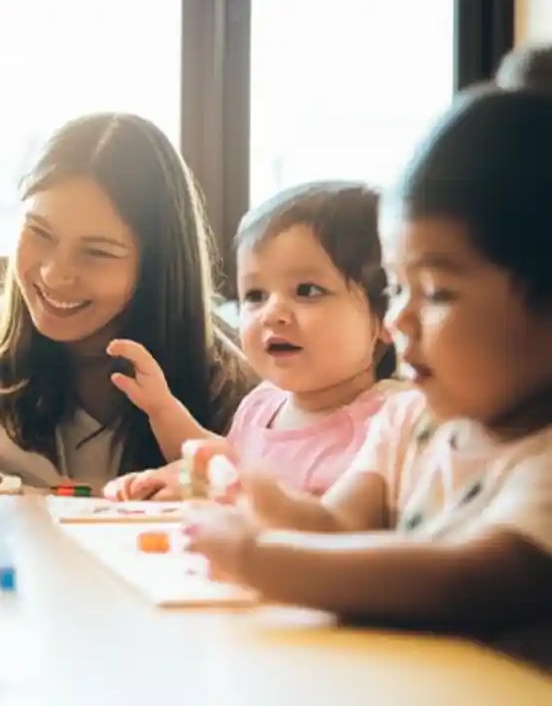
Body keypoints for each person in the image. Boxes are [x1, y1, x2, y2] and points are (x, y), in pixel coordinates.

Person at [185, 88, 552, 635]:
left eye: (438, 291)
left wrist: (262, 559)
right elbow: (338, 525)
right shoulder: (408, 422)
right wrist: (263, 498)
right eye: (398, 286)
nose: (399, 318)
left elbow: (463, 583)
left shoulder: (540, 457)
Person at [0, 113, 254, 490]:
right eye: (39, 232)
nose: (55, 274)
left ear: (157, 267)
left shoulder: (236, 387)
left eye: (97, 253)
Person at [105, 181, 404, 500]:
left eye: (307, 291)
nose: (272, 313)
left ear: (388, 314)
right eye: (255, 295)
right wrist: (162, 409)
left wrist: (230, 492)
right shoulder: (261, 405)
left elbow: (341, 525)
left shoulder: (391, 422)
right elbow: (218, 460)